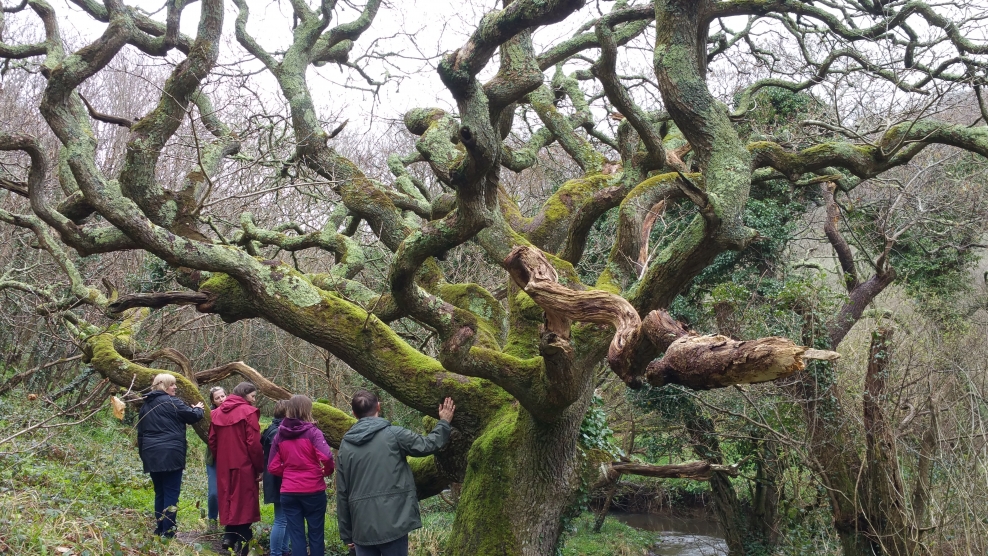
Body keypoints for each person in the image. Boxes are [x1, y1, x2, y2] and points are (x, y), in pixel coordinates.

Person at [336, 391, 454, 556]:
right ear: (379, 406)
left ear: (354, 413)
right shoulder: (394, 434)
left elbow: (342, 491)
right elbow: (428, 444)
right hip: (394, 521)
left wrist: (346, 532)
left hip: (362, 526)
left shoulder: (345, 446)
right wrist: (444, 422)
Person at [137, 373, 205, 538]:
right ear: (164, 386)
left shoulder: (146, 406)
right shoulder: (172, 402)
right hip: (171, 454)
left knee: (160, 492)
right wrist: (198, 408)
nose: (175, 388)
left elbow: (140, 434)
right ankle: (168, 532)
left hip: (151, 454)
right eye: (172, 385)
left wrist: (144, 455)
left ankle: (159, 528)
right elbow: (193, 416)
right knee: (171, 494)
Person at [268, 395, 335, 556]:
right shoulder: (314, 433)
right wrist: (325, 471)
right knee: (316, 535)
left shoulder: (279, 435)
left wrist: (290, 473)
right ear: (307, 411)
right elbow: (326, 457)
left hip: (289, 492)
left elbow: (273, 466)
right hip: (313, 490)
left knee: (296, 537)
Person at [208, 382, 263, 554]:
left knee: (229, 502)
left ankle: (230, 537)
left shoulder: (216, 414)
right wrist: (260, 467)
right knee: (245, 504)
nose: (254, 401)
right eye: (252, 396)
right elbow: (253, 444)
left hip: (225, 465)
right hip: (244, 465)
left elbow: (212, 441)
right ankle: (244, 545)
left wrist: (222, 458)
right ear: (244, 395)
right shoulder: (249, 412)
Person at [261, 400, 291, 556]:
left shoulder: (273, 429)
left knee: (285, 519)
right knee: (282, 519)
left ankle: (284, 550)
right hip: (279, 480)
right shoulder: (278, 432)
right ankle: (276, 553)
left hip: (275, 479)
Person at [205, 386, 226, 530]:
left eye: (223, 396)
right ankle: (212, 521)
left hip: (230, 458)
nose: (221, 399)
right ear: (213, 401)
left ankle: (228, 522)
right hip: (213, 458)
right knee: (214, 492)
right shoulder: (210, 414)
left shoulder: (235, 411)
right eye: (217, 398)